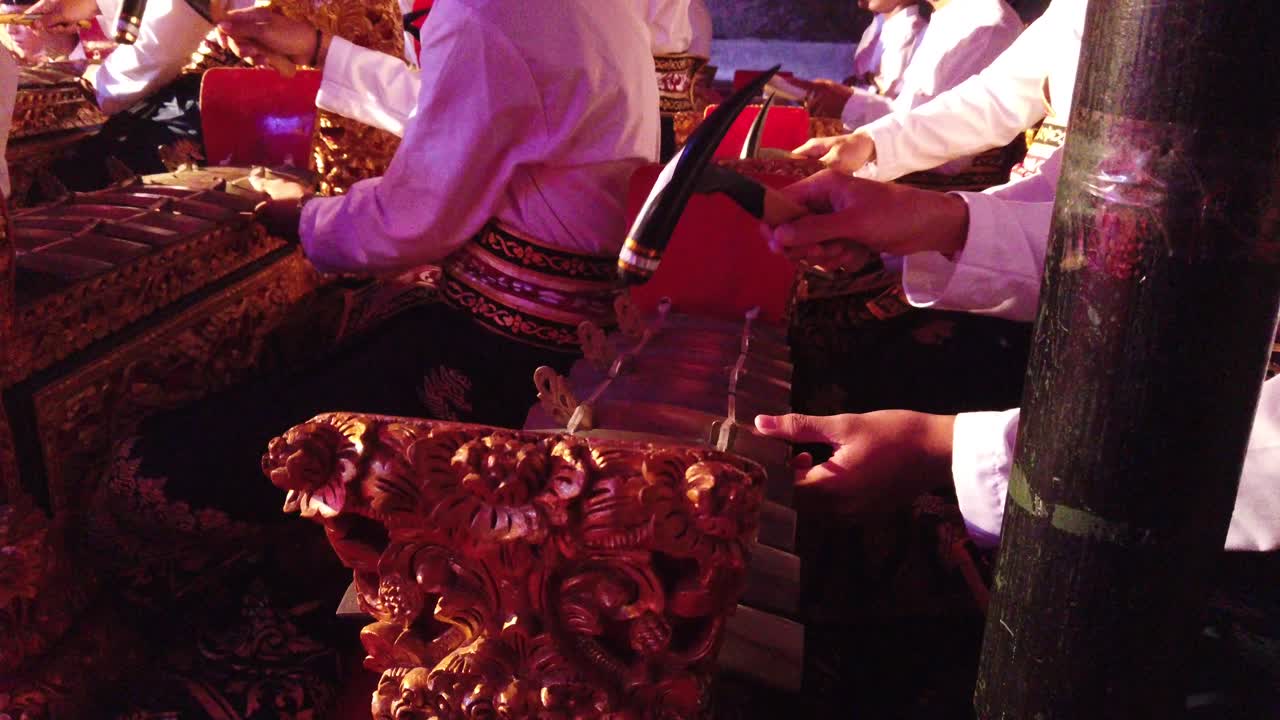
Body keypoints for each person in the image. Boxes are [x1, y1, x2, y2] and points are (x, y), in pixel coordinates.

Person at [809, 0, 1024, 140]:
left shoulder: (986, 26)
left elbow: (948, 146)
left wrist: (850, 105)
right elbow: (912, 115)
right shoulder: (951, 19)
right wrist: (847, 102)